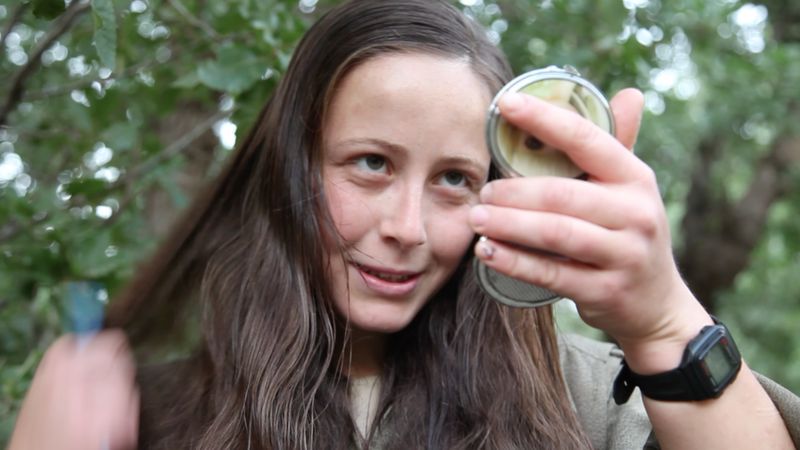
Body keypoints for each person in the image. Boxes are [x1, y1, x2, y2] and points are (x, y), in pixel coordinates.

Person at [7, 1, 799, 449]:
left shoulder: (581, 397)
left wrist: (663, 324)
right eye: (371, 164)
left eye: (455, 179)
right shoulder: (143, 406)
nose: (408, 228)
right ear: (291, 165)